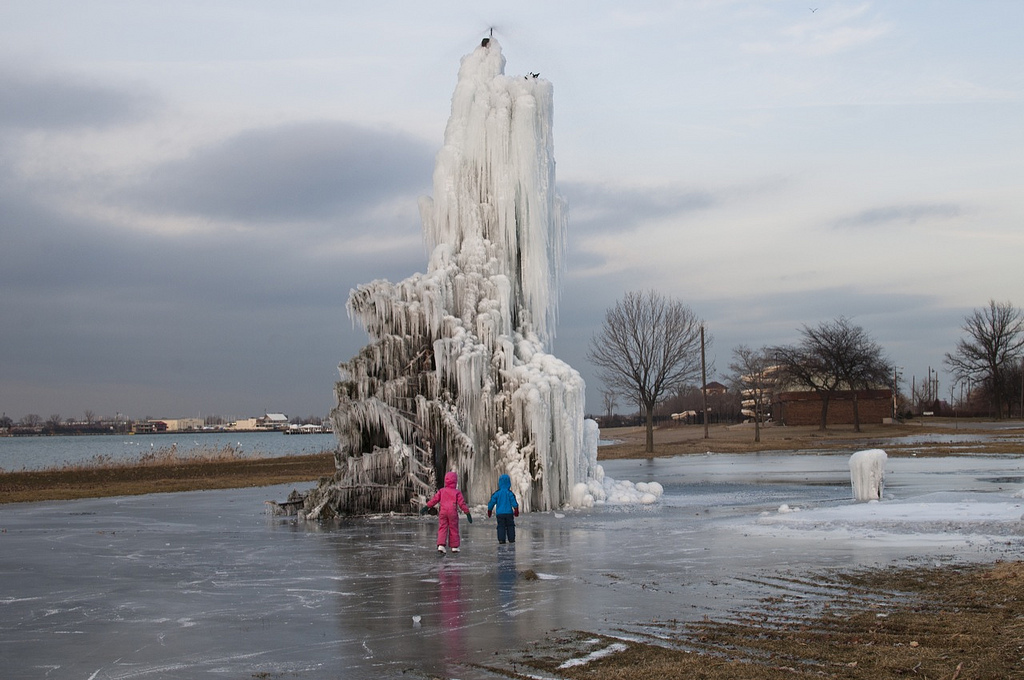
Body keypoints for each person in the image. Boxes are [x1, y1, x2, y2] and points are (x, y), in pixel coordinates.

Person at [421, 471, 472, 555]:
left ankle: (441, 545)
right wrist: (467, 513)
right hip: (452, 512)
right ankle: (454, 547)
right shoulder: (457, 492)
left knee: (442, 528)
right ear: (455, 481)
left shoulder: (442, 491)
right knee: (454, 528)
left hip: (443, 512)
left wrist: (427, 507)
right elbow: (462, 503)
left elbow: (434, 500)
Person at [486, 473, 519, 544]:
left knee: (501, 526)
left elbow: (492, 502)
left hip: (500, 514)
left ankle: (501, 539)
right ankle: (511, 538)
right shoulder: (509, 493)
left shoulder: (497, 493)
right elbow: (513, 501)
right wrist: (516, 509)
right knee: (510, 526)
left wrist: (490, 510)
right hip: (509, 513)